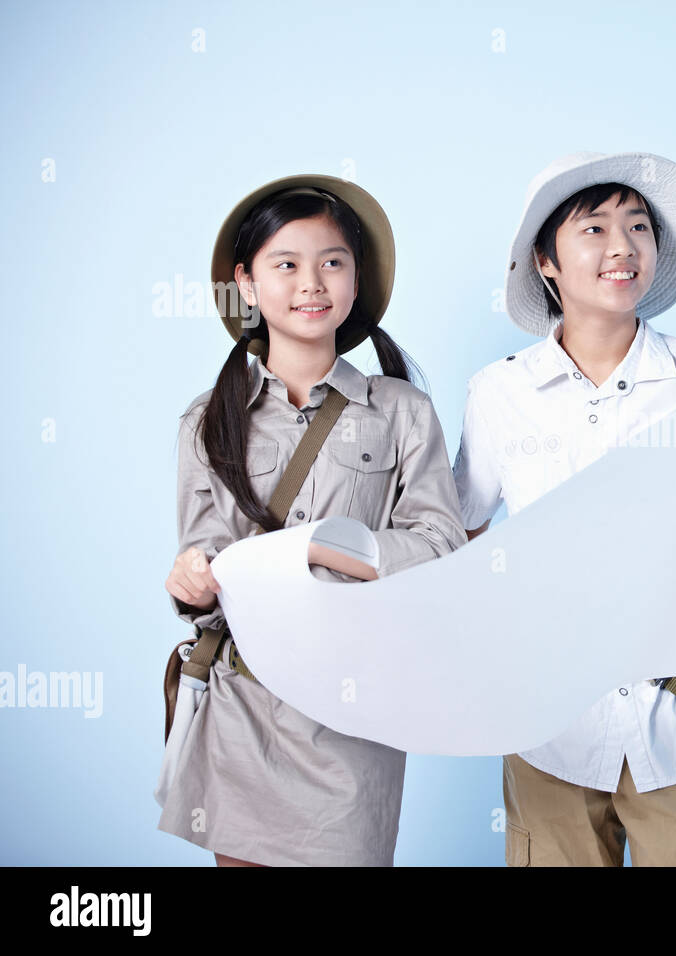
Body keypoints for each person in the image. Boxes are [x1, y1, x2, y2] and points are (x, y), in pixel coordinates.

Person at [453, 152, 676, 866]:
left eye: (638, 225)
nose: (622, 246)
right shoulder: (498, 393)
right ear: (545, 260)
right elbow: (463, 535)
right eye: (593, 228)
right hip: (548, 732)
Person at [159, 174, 467, 866]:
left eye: (332, 261)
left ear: (357, 282)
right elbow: (203, 561)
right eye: (286, 263)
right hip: (241, 704)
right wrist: (190, 583)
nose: (312, 282)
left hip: (352, 704)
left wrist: (324, 556)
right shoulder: (206, 422)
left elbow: (441, 543)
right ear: (246, 281)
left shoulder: (402, 411)